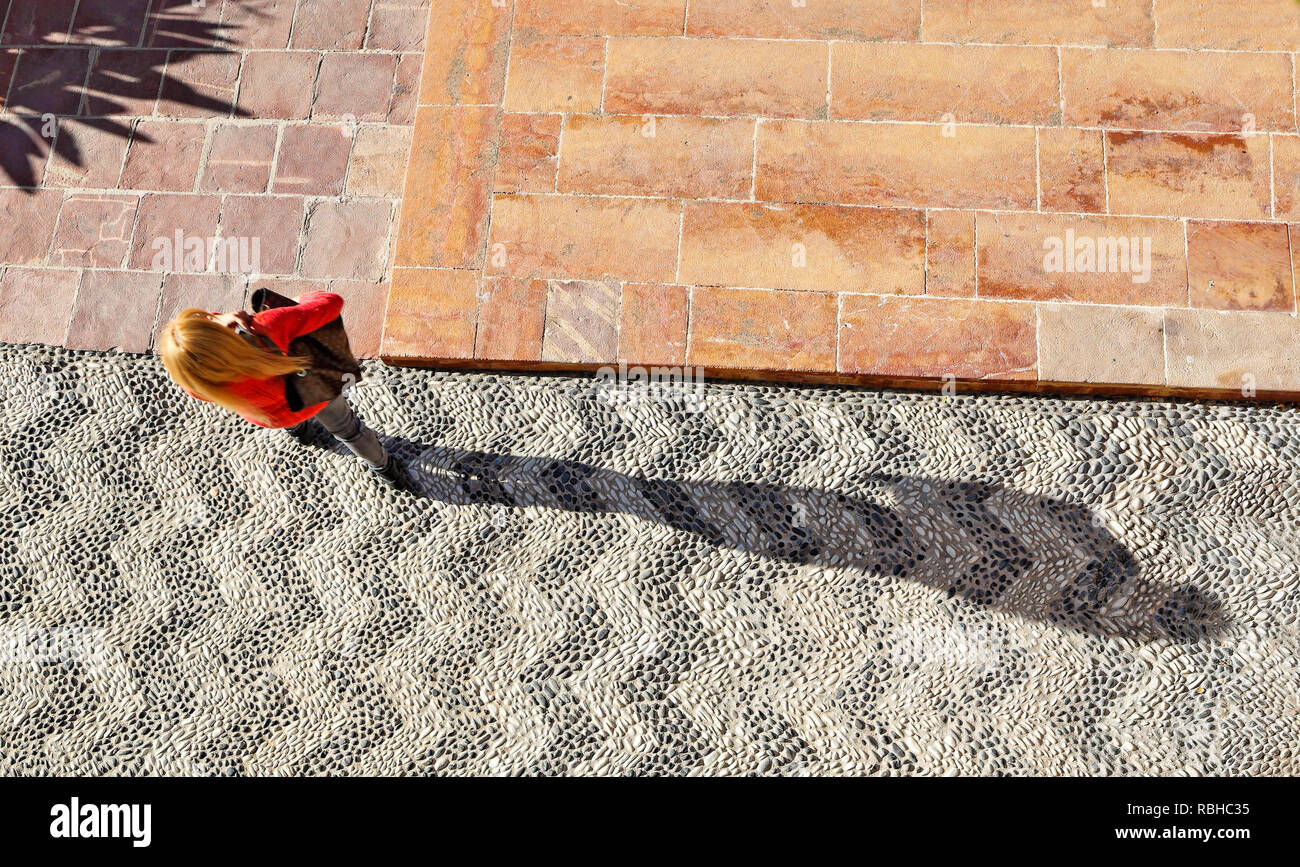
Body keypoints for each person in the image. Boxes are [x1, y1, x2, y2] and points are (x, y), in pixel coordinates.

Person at [157, 290, 417, 493]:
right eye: (207, 320)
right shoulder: (265, 327)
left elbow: (210, 355)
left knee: (285, 412)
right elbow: (331, 303)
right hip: (313, 393)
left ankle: (300, 432)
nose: (211, 316)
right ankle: (385, 468)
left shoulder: (195, 381)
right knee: (348, 429)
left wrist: (218, 326)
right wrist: (303, 298)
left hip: (272, 415)